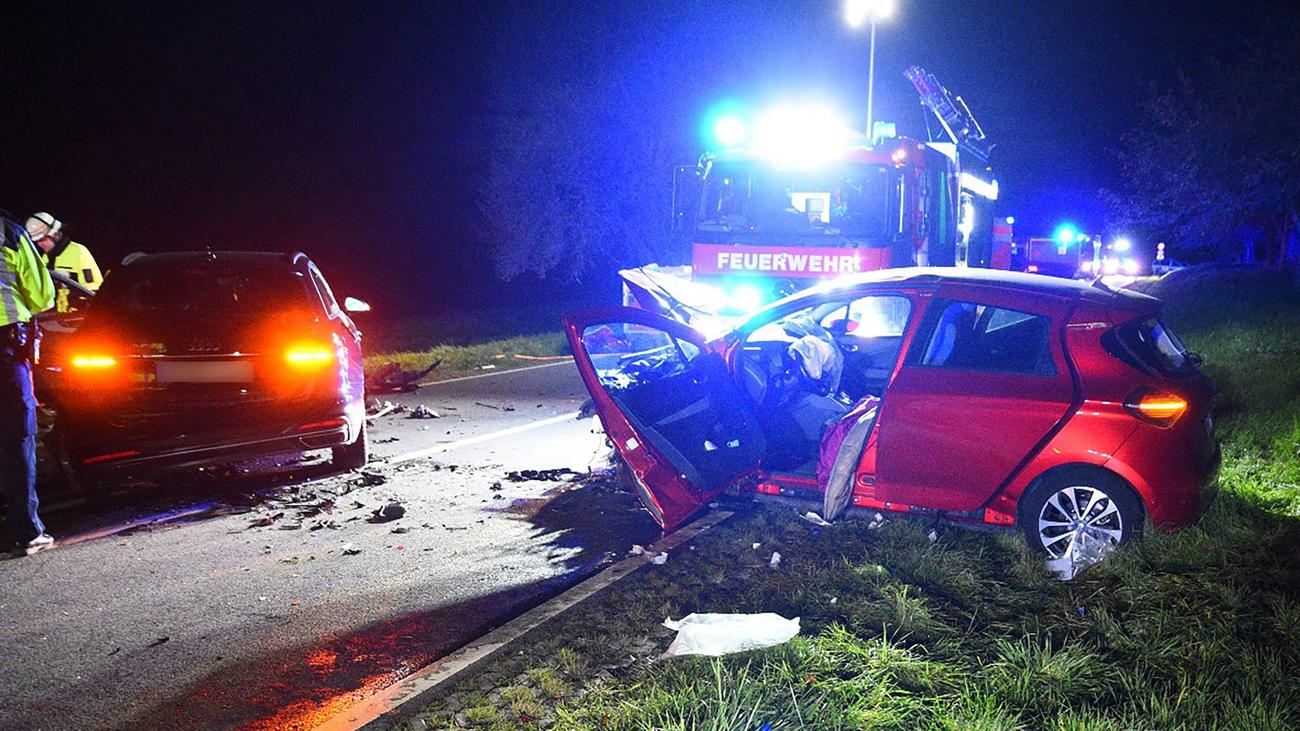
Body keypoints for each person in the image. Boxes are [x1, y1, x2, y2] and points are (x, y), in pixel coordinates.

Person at [0, 214, 56, 558]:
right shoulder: (8, 231)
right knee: (17, 434)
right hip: (5, 346)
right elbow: (41, 297)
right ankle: (24, 532)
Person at [25, 212, 103, 311]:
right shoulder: (45, 259)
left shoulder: (78, 251)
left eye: (42, 240)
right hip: (56, 319)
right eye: (37, 242)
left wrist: (80, 303)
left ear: (55, 235)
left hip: (76, 317)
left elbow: (93, 285)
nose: (40, 244)